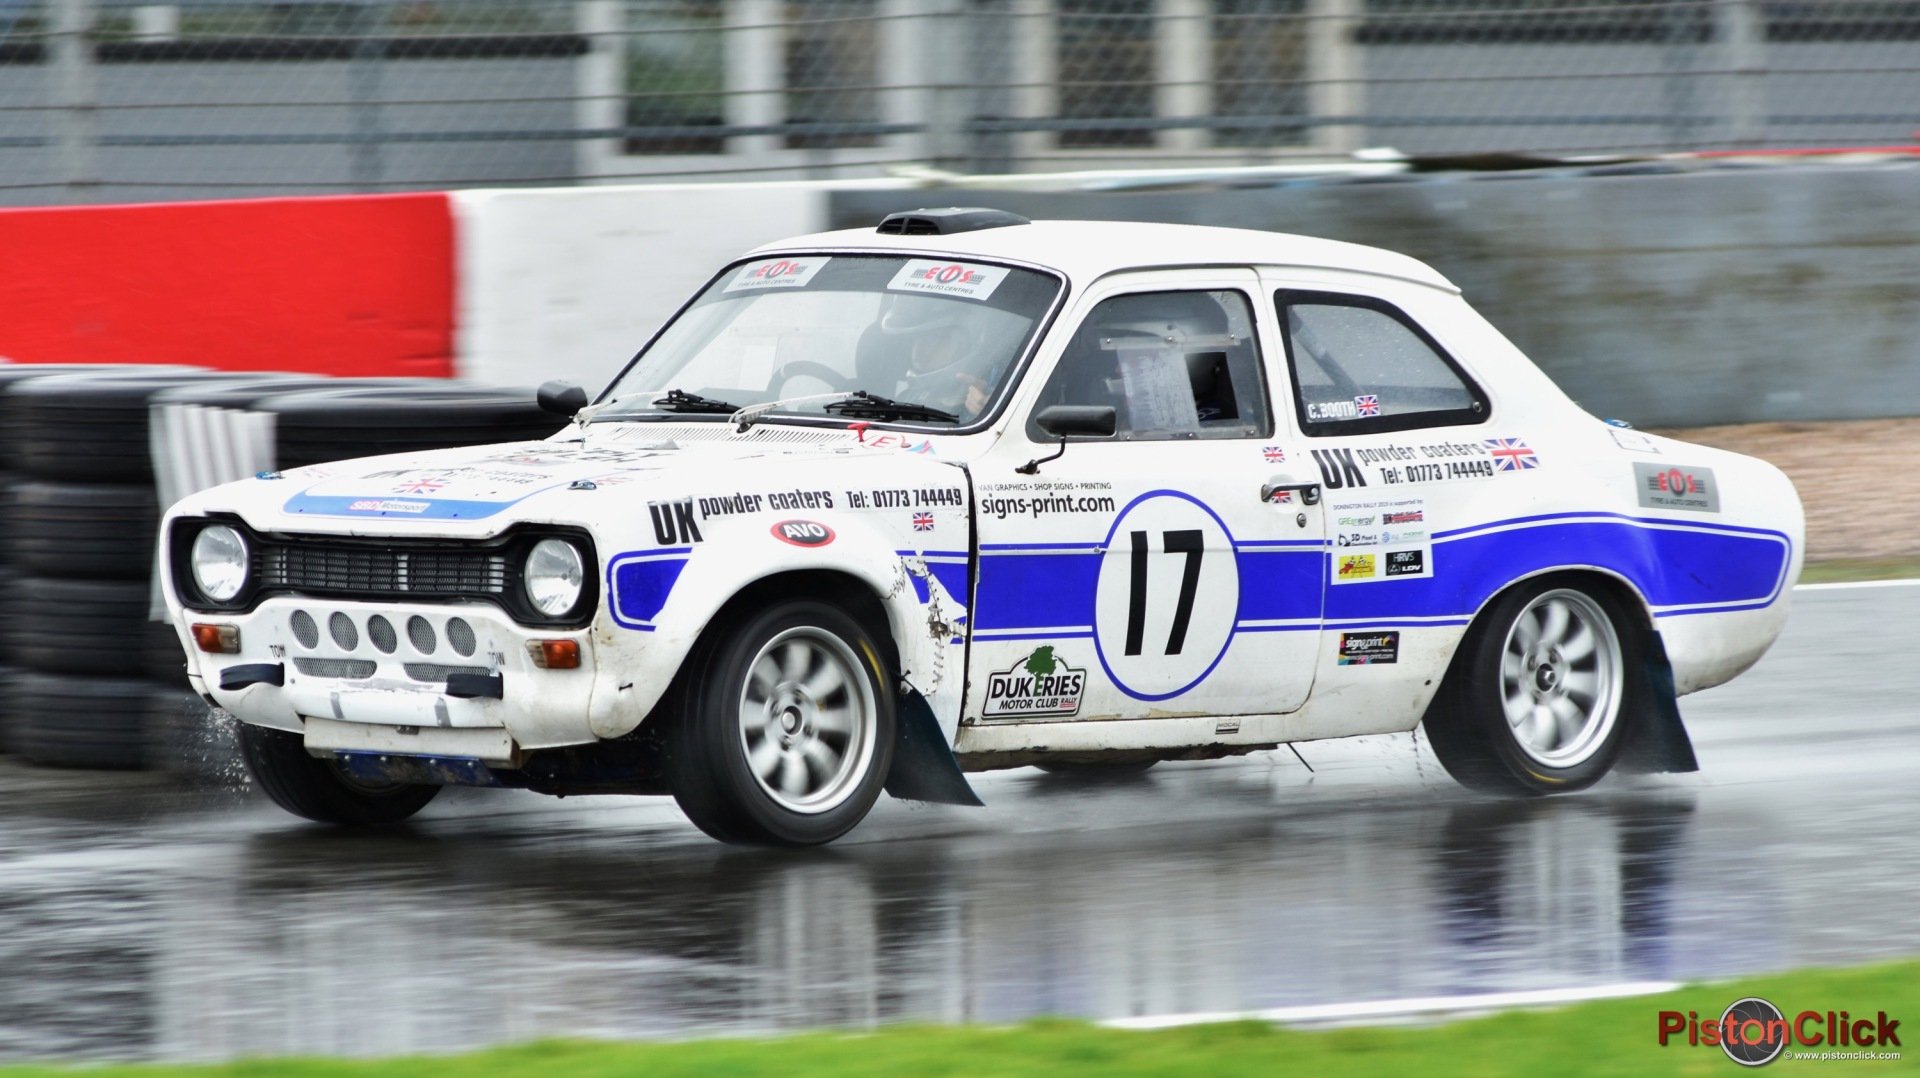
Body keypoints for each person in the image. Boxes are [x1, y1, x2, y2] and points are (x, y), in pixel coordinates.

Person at [874, 296, 995, 420]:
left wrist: (985, 410)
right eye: (915, 338)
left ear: (965, 345)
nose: (919, 350)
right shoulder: (906, 399)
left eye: (933, 339)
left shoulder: (988, 411)